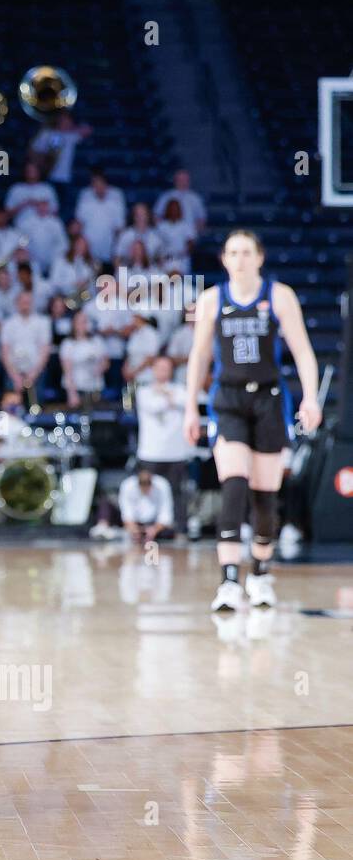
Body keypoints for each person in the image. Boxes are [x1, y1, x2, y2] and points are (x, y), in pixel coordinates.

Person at [182, 231, 321, 612]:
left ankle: (260, 574)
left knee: (264, 496)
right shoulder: (212, 300)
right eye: (232, 252)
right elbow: (198, 357)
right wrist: (189, 408)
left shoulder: (279, 296)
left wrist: (310, 397)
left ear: (259, 257)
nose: (239, 259)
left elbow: (303, 352)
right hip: (227, 399)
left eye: (246, 252)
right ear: (224, 260)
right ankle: (228, 581)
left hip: (269, 399)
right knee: (234, 484)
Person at [136, 356, 192, 533]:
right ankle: (148, 529)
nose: (162, 371)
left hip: (175, 452)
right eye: (159, 367)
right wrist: (170, 399)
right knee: (149, 492)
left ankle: (178, 530)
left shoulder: (181, 389)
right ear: (153, 369)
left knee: (177, 493)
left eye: (166, 368)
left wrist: (167, 395)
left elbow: (186, 401)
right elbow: (154, 406)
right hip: (150, 451)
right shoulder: (143, 391)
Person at [118, 467, 175, 545]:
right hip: (136, 524)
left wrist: (155, 529)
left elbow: (166, 515)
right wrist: (134, 529)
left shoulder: (162, 485)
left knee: (168, 533)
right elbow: (126, 513)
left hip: (156, 525)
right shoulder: (127, 486)